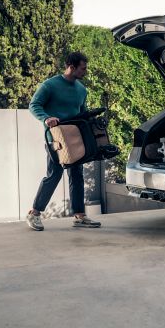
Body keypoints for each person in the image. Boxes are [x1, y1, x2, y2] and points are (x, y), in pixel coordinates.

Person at [26, 51, 101, 231]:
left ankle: (79, 216)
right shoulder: (50, 85)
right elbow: (34, 105)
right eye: (83, 68)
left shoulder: (82, 90)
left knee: (77, 175)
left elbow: (82, 114)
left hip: (75, 139)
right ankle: (34, 214)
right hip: (56, 139)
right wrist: (46, 118)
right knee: (54, 175)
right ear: (72, 67)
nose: (85, 71)